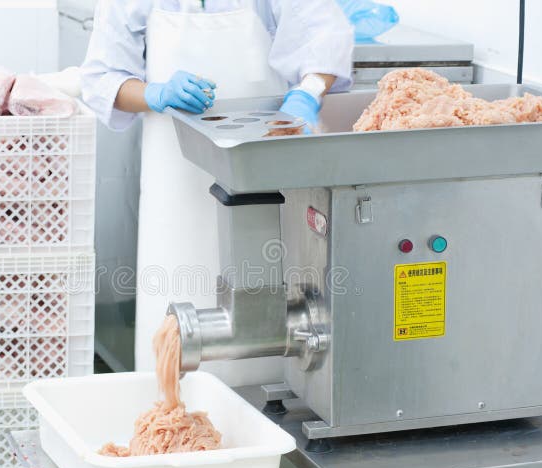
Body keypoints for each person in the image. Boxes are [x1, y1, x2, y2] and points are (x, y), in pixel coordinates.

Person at [80, 0, 354, 384]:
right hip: (175, 174)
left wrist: (306, 94)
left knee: (267, 285)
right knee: (174, 287)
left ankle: (268, 411)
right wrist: (155, 93)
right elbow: (102, 79)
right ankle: (174, 418)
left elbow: (325, 34)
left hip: (259, 162)